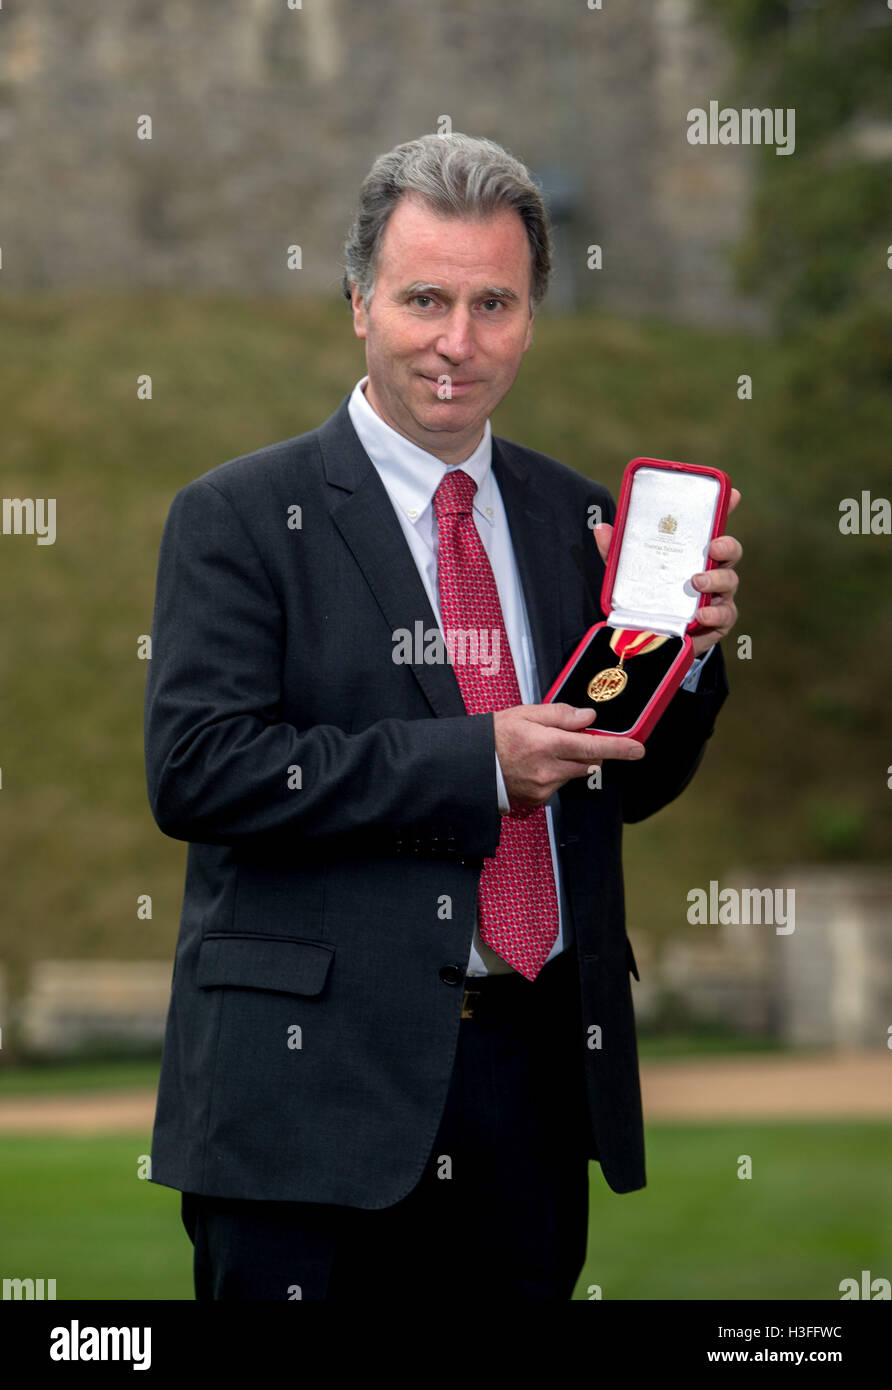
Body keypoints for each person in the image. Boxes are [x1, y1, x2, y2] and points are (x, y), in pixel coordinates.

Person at [144, 132, 741, 1301]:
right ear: (359, 300)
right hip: (306, 1111)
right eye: (425, 299)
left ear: (530, 318)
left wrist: (694, 663)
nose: (457, 342)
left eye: (493, 303)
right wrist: (478, 762)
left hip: (530, 1089)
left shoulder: (578, 518)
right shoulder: (238, 515)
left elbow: (621, 784)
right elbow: (201, 771)